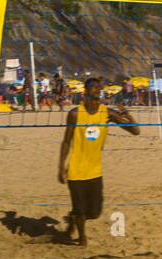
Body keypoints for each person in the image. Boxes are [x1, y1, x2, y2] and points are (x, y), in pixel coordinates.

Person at [57, 76, 140, 246]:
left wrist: (128, 115)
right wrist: (61, 167)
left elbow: (135, 131)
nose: (97, 91)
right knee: (80, 210)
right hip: (76, 169)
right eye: (93, 88)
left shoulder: (106, 113)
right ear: (85, 92)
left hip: (95, 169)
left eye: (98, 89)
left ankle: (74, 219)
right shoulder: (74, 114)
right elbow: (66, 141)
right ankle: (82, 238)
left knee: (95, 212)